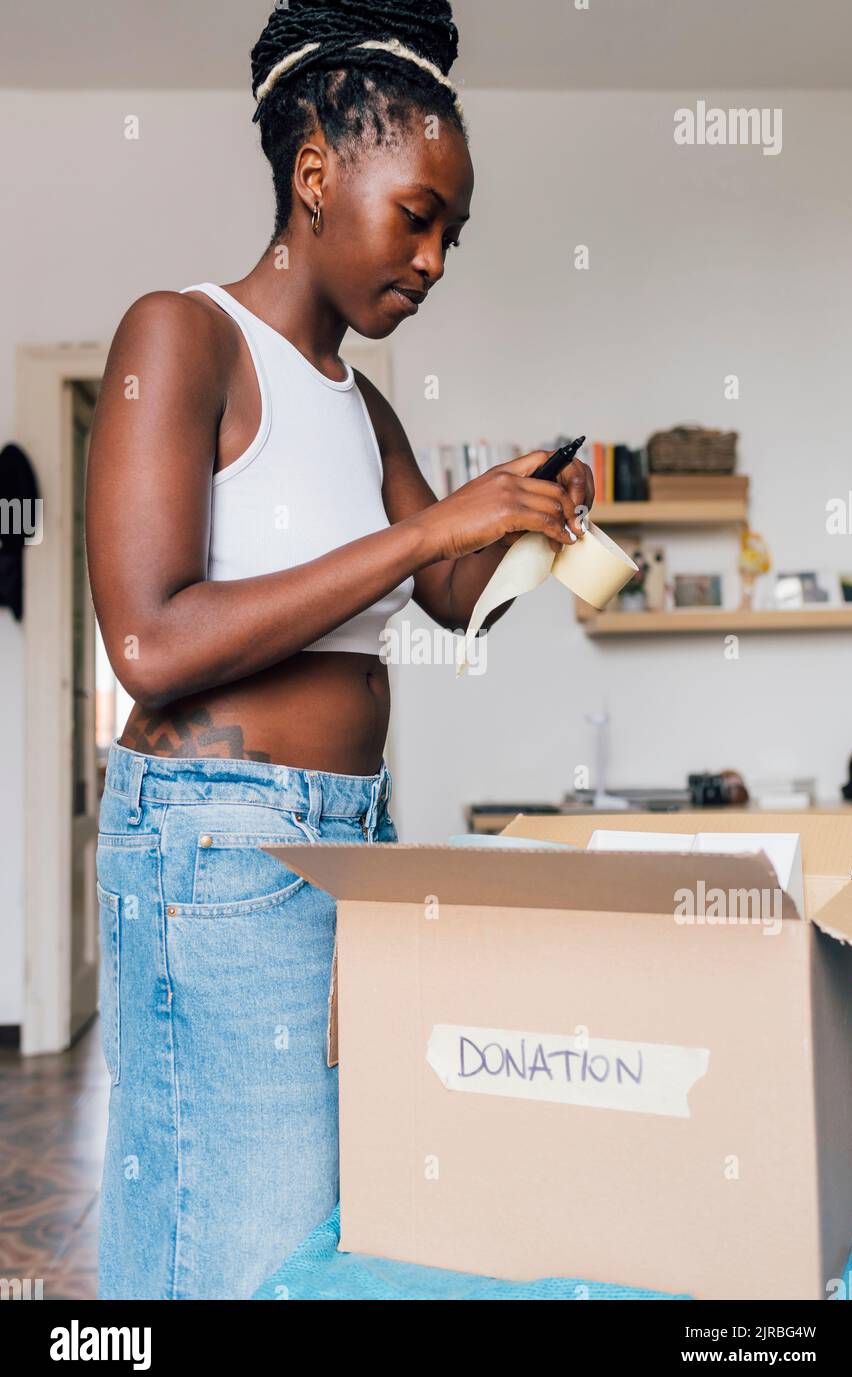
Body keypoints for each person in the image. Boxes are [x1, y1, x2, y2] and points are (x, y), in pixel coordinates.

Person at [84, 0, 594, 1300]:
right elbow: (149, 637)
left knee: (308, 1218)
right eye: (418, 214)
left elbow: (440, 590)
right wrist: (442, 519)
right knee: (234, 1235)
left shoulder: (358, 402)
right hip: (217, 840)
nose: (432, 259)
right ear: (315, 173)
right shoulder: (180, 335)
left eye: (452, 236)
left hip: (344, 833)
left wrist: (528, 524)